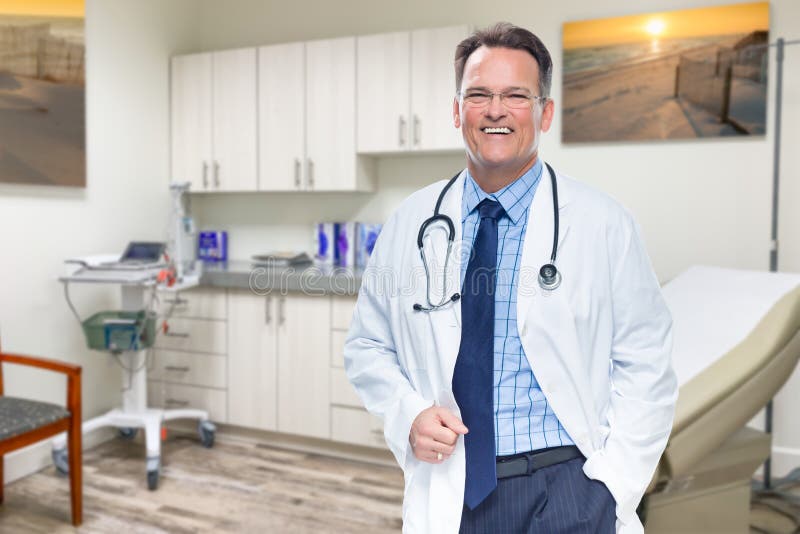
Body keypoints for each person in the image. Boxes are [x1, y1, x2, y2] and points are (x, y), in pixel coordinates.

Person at [344, 22, 677, 534]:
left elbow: (646, 363)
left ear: (544, 112)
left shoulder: (604, 224)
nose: (495, 109)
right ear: (457, 111)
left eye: (516, 95)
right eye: (478, 94)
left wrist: (612, 483)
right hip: (457, 485)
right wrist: (407, 412)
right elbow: (367, 345)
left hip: (572, 484)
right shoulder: (410, 222)